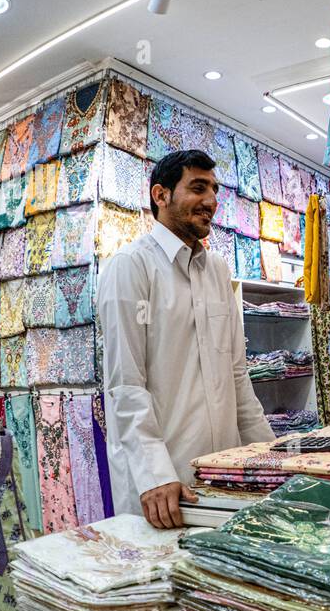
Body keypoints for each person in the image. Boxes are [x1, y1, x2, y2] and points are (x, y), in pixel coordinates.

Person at [97, 149, 274, 528]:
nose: (210, 201)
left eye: (214, 190)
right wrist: (156, 474)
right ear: (161, 196)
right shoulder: (131, 267)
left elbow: (237, 376)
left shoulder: (218, 271)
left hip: (225, 476)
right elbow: (126, 384)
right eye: (197, 188)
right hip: (167, 486)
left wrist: (269, 458)